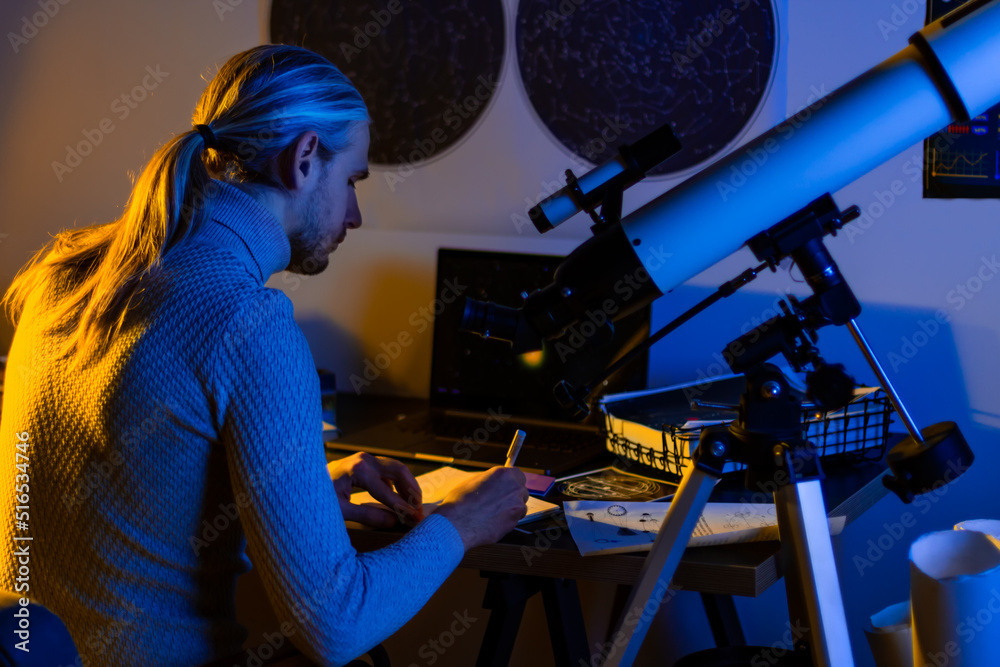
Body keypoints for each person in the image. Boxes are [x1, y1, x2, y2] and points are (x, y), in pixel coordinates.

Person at [0, 44, 528, 666]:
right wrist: (461, 525)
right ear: (304, 158)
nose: (356, 214)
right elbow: (334, 626)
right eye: (353, 179)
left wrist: (301, 486)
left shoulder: (66, 272)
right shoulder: (249, 324)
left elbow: (120, 504)